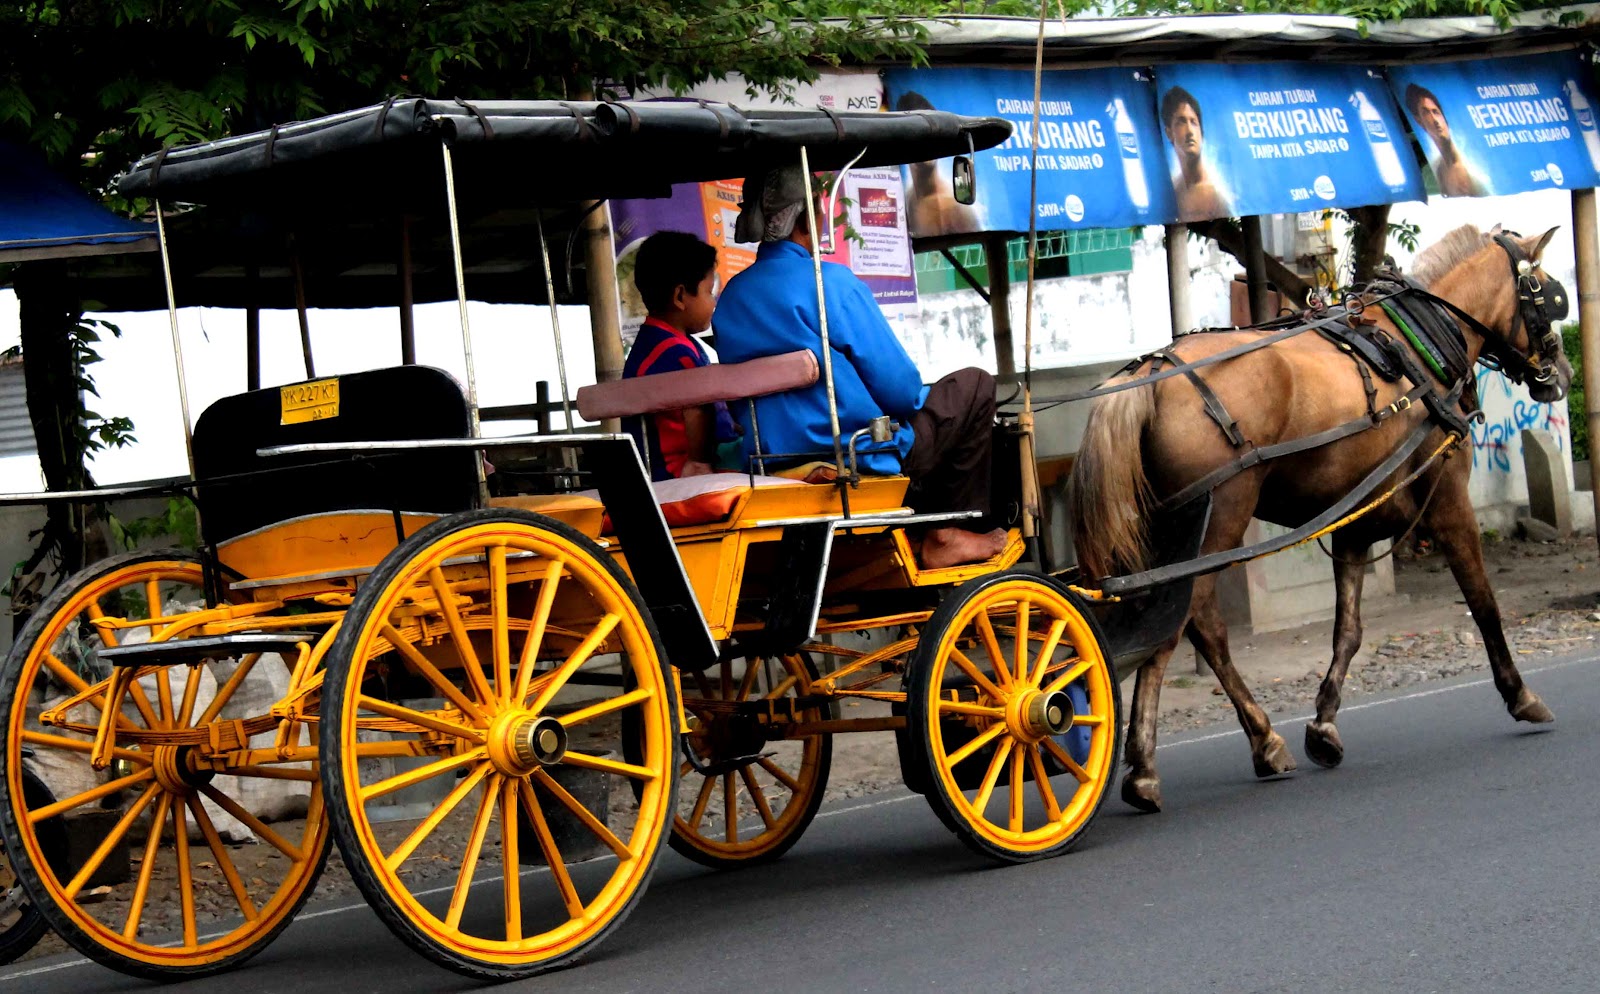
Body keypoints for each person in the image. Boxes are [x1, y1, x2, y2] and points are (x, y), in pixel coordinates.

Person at [715, 164, 1007, 568]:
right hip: (855, 456)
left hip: (769, 464)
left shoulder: (731, 297)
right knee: (974, 386)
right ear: (807, 219)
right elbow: (903, 392)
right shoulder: (831, 283)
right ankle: (945, 534)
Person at [624, 230, 740, 481]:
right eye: (709, 292)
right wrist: (699, 463)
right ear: (680, 296)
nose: (713, 302)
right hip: (680, 474)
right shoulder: (675, 353)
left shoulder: (656, 343)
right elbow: (696, 413)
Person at [895, 91, 984, 236]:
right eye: (918, 136)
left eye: (933, 136)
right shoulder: (905, 200)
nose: (927, 145)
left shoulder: (955, 207)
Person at [1161, 86, 1231, 222]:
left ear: (1202, 133)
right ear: (1169, 132)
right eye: (1181, 122)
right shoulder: (1172, 190)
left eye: (1193, 122)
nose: (1189, 131)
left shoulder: (1217, 194)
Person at [1404, 84, 1488, 198]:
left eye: (1435, 112)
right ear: (1418, 120)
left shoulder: (1471, 166)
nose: (1435, 120)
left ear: (1443, 116)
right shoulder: (1434, 169)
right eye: (1426, 112)